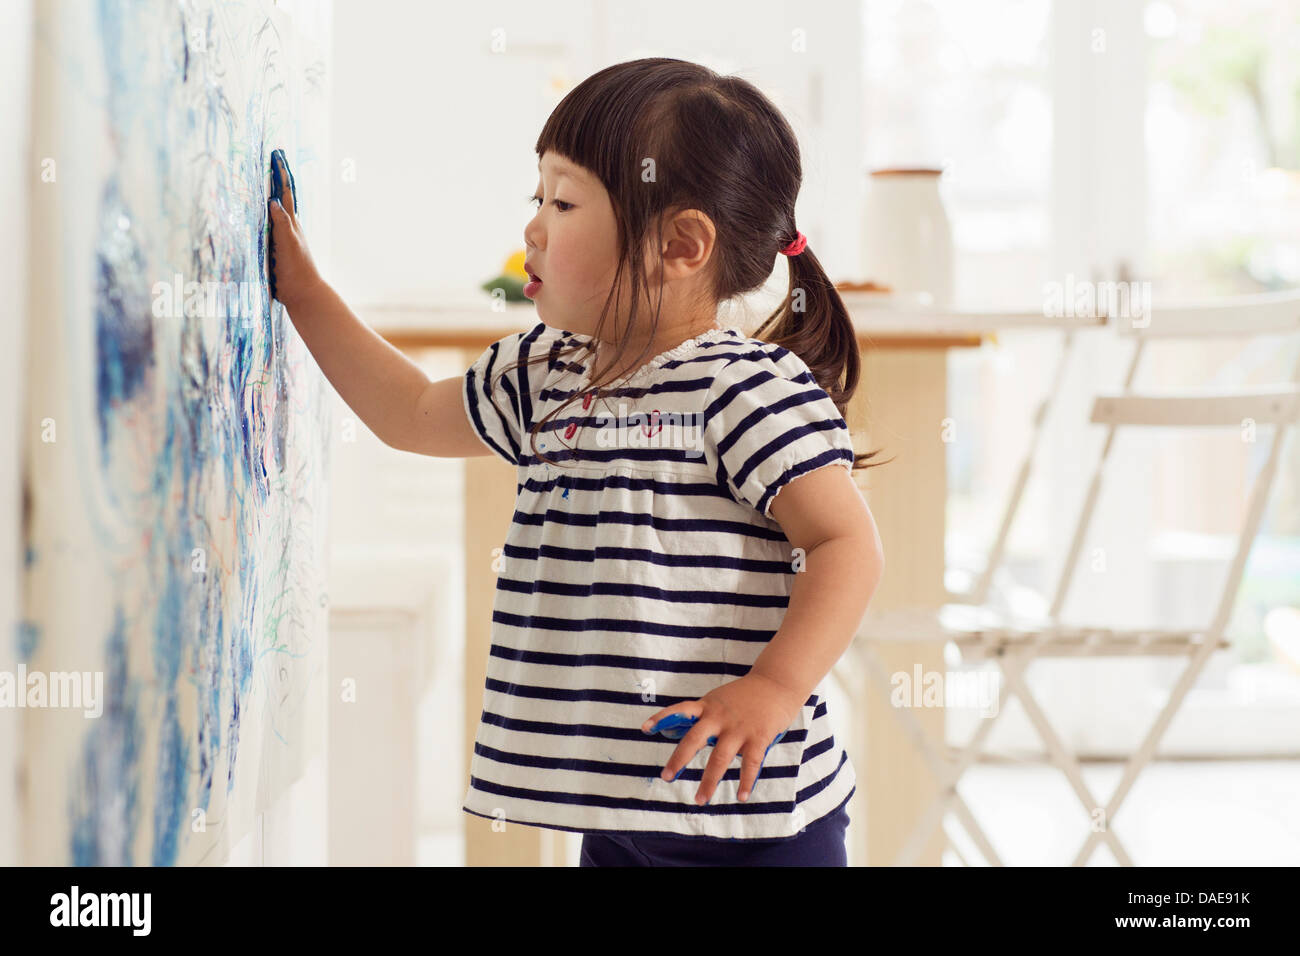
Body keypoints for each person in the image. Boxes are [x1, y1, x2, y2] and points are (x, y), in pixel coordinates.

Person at [267, 56, 888, 866]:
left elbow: (848, 546)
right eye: (539, 198)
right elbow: (411, 413)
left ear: (681, 243)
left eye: (563, 203)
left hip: (754, 817)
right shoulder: (543, 372)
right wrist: (307, 297)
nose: (533, 227)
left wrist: (774, 687)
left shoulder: (745, 391)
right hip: (618, 809)